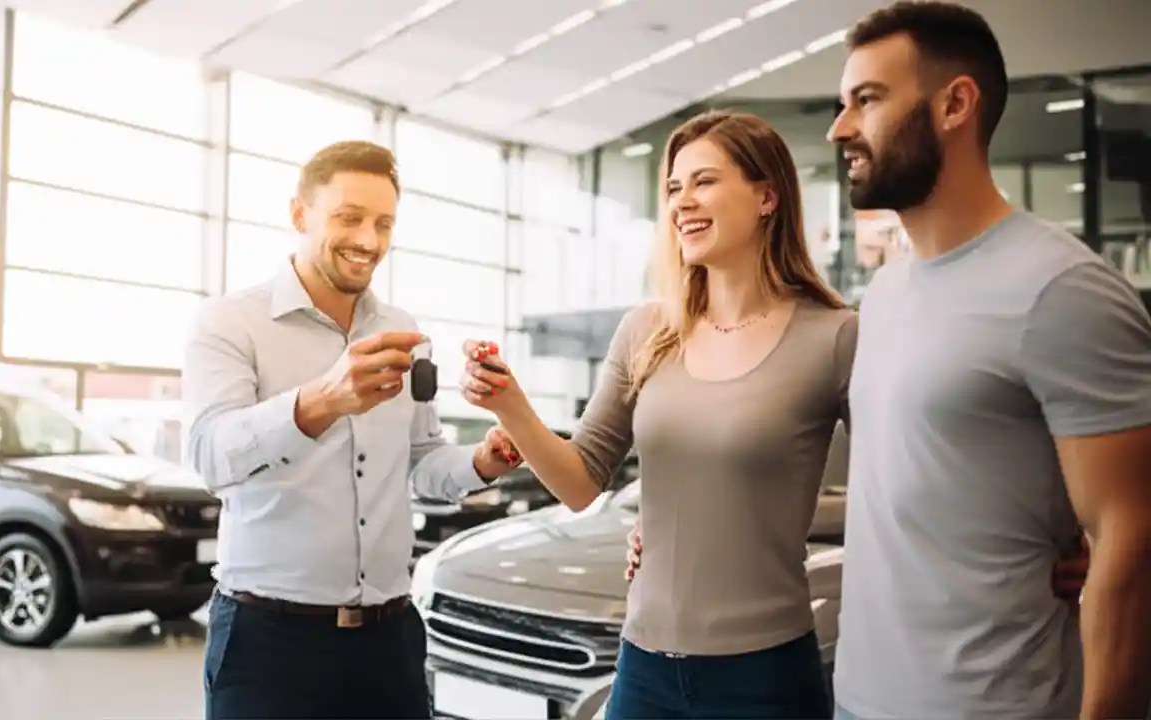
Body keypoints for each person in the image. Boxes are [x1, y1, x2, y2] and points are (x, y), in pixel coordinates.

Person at [461, 110, 858, 719]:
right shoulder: (647, 331)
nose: (682, 203)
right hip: (644, 667)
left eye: (704, 182)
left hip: (766, 673)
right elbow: (580, 480)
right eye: (673, 187)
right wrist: (509, 403)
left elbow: (902, 481)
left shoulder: (833, 337)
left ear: (766, 196)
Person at [823, 2, 1151, 718]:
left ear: (955, 104)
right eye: (841, 104)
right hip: (860, 701)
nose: (839, 128)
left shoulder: (1060, 289)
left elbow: (1133, 545)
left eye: (867, 100)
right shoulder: (882, 293)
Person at [182, 140, 521, 720]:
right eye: (349, 218)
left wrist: (483, 461)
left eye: (383, 223)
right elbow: (211, 456)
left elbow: (422, 460)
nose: (368, 239)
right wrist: (320, 402)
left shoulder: (402, 329)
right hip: (268, 643)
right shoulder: (230, 323)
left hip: (387, 641)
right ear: (299, 215)